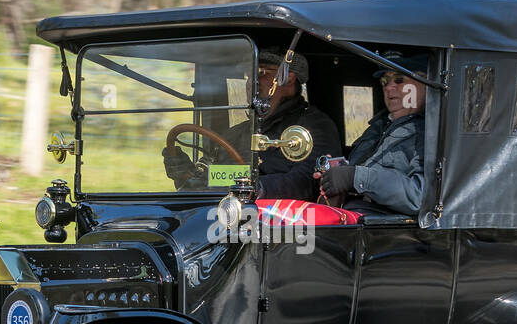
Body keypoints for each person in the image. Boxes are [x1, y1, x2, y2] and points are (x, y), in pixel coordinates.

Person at [162, 49, 339, 201]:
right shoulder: (237, 132)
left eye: (261, 74)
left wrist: (256, 187)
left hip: (280, 227)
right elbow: (215, 176)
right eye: (248, 77)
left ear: (289, 79)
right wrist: (188, 174)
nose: (250, 83)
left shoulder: (314, 126)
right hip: (222, 218)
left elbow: (308, 181)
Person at [317, 50, 428, 215]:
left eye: (399, 80)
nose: (389, 87)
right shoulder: (376, 128)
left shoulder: (431, 133)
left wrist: (356, 177)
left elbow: (419, 197)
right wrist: (333, 183)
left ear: (425, 84)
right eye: (385, 81)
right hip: (350, 219)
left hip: (385, 233)